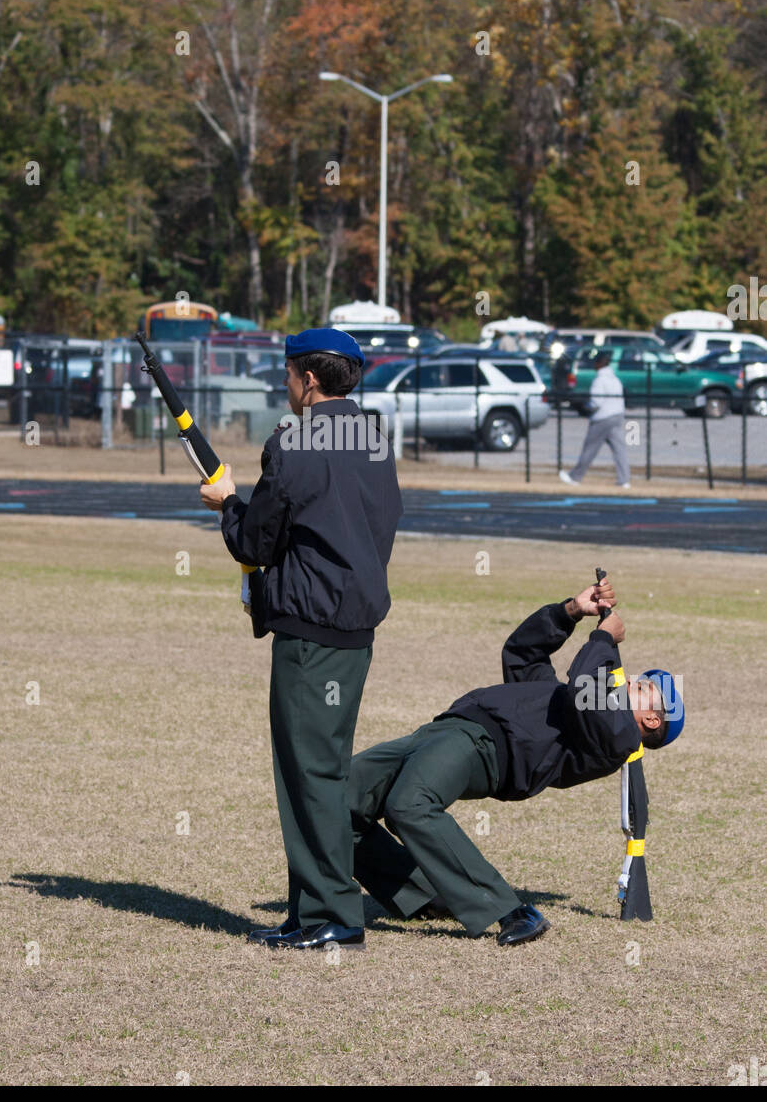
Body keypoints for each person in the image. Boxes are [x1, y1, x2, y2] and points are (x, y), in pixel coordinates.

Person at [200, 327, 402, 952]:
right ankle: (307, 907)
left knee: (306, 774)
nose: (284, 385)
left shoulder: (293, 442)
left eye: (288, 375)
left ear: (309, 379)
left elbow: (255, 542)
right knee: (322, 769)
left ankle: (332, 915)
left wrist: (226, 504)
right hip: (355, 627)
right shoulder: (372, 438)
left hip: (311, 633)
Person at [348, 576, 684, 946]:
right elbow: (522, 652)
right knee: (342, 797)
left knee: (408, 805)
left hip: (484, 747)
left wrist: (603, 639)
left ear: (652, 720)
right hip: (443, 730)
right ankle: (423, 894)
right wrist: (571, 611)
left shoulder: (619, 734)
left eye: (639, 687)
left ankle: (510, 911)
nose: (628, 681)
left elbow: (583, 685)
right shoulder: (571, 702)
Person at [560, 349, 631, 488]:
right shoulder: (615, 379)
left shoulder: (600, 380)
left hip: (602, 418)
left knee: (590, 448)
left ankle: (575, 477)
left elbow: (596, 402)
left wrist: (584, 407)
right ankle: (624, 480)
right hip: (617, 416)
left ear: (599, 364)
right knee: (619, 450)